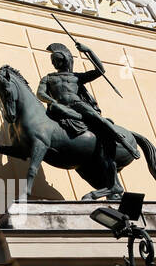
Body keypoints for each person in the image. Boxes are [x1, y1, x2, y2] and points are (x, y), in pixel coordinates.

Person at [36, 41, 136, 185]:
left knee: (97, 118)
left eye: (57, 60)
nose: (55, 64)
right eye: (53, 61)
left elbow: (100, 70)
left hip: (77, 104)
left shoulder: (76, 77)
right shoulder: (49, 78)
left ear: (65, 60)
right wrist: (52, 102)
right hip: (59, 107)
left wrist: (88, 50)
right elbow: (40, 93)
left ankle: (122, 140)